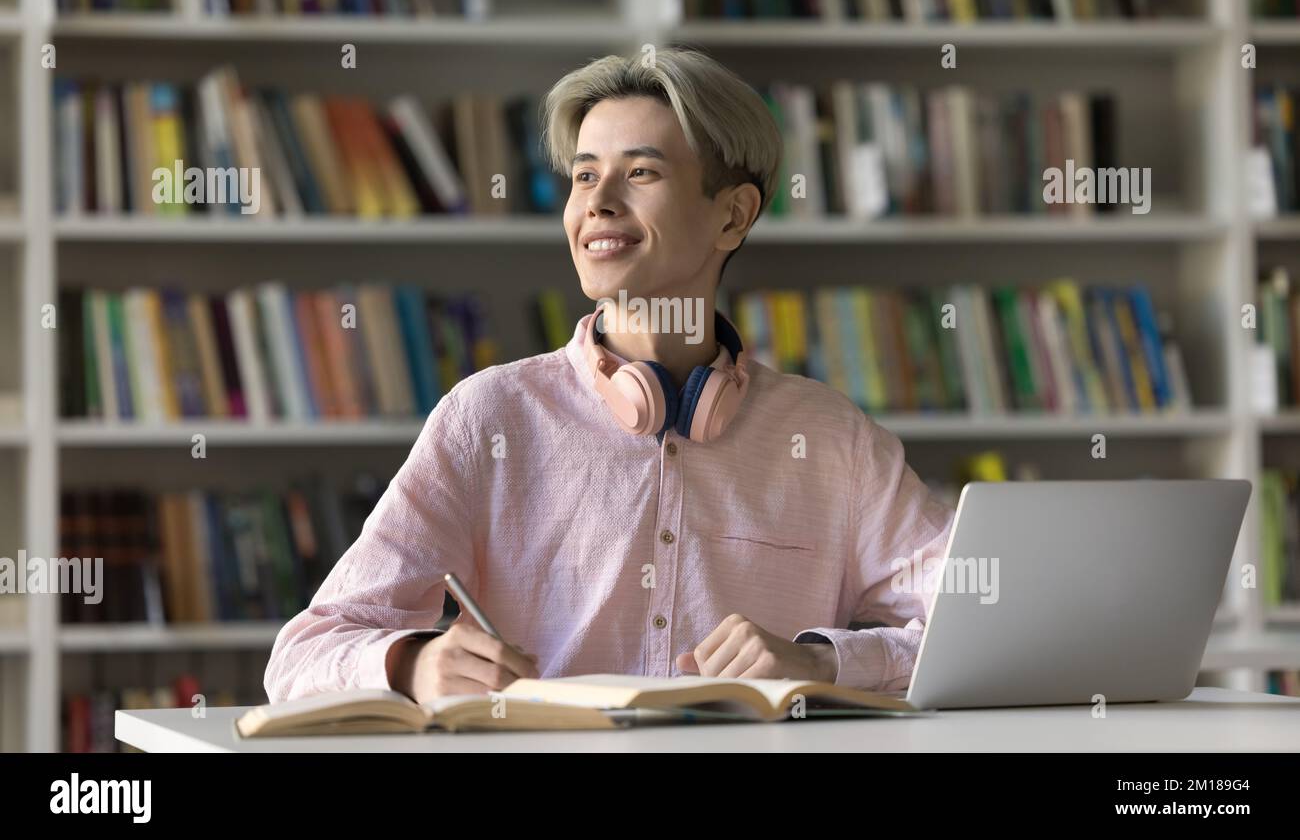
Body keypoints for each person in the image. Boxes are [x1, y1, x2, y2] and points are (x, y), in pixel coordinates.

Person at [263, 47, 954, 704]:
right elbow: (302, 653)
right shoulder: (488, 418)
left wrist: (823, 660)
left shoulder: (831, 439)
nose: (597, 202)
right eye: (585, 175)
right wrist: (412, 662)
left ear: (733, 214)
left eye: (641, 173)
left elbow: (986, 620)